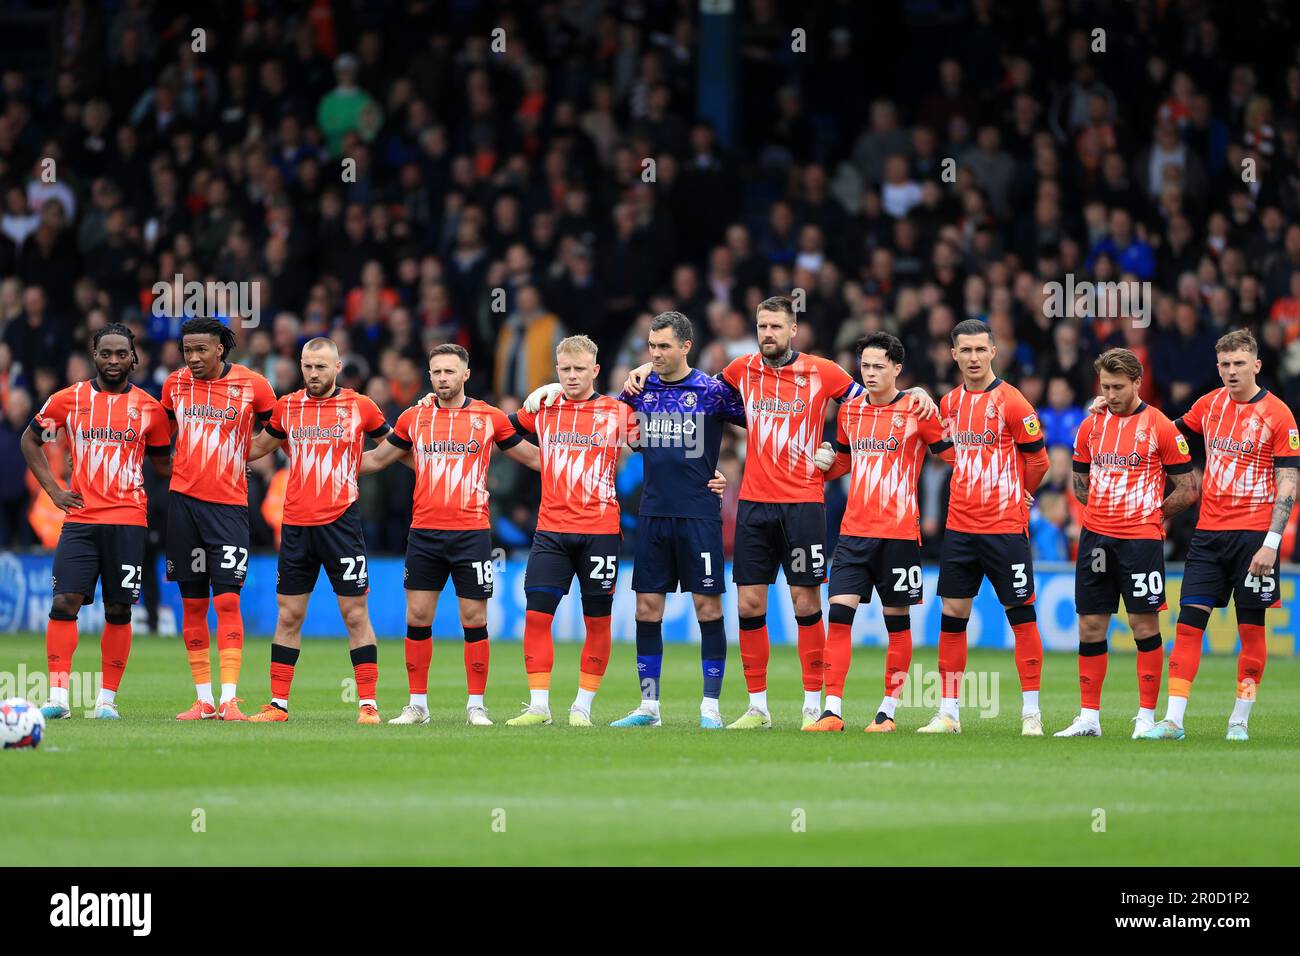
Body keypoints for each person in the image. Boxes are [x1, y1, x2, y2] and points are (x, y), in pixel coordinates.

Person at [361, 344, 540, 726]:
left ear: (466, 374)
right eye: (437, 372)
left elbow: (534, 458)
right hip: (423, 532)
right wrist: (329, 457)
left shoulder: (489, 418)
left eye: (449, 371)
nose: (443, 378)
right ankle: (417, 705)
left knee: (474, 618)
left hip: (472, 533)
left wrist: (586, 459)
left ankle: (476, 705)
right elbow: (377, 459)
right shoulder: (413, 418)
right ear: (430, 376)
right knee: (418, 616)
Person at [1142, 330, 1298, 741]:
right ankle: (1173, 720)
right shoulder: (1208, 406)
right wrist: (1116, 410)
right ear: (1218, 367)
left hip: (1254, 539)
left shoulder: (1279, 415)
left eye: (1239, 364)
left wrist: (1271, 543)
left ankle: (1239, 720)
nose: (1232, 371)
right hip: (1208, 534)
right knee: (1189, 624)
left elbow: (1288, 484)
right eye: (1225, 365)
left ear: (1256, 366)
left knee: (1251, 629)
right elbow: (1161, 433)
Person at [23, 324, 171, 719]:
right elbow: (30, 439)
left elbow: (164, 464)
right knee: (64, 601)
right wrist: (54, 491)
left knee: (119, 609)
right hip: (81, 519)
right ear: (94, 354)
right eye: (106, 353)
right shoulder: (68, 399)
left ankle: (106, 700)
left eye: (121, 354)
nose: (113, 361)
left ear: (133, 358)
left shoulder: (150, 409)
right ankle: (57, 697)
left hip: (128, 520)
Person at [807, 332, 953, 732]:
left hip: (899, 534)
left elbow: (953, 454)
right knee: (838, 618)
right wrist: (826, 462)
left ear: (897, 369)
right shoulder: (850, 411)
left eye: (878, 366)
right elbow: (842, 463)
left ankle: (886, 712)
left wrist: (934, 404)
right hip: (853, 534)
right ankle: (831, 710)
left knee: (897, 624)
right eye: (865, 366)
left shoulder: (917, 410)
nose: (870, 373)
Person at [243, 337, 392, 724]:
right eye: (308, 365)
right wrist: (216, 438)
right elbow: (260, 446)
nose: (313, 373)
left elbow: (394, 445)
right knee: (289, 615)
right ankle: (278, 705)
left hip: (342, 524)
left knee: (355, 614)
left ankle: (368, 705)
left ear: (337, 367)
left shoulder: (360, 406)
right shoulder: (286, 406)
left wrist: (358, 465)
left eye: (321, 366)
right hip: (296, 526)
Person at [1055, 348, 1198, 739]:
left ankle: (1146, 717)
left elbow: (1188, 489)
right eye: (1106, 387)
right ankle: (1089, 717)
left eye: (1119, 386)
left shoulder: (1160, 426)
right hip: (1096, 538)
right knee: (1090, 624)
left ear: (1138, 382)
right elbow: (1080, 483)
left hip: (1140, 541)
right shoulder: (1090, 427)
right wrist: (1105, 510)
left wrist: (1151, 514)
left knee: (1143, 623)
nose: (1112, 394)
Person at [919, 319, 1051, 736]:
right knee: (953, 615)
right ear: (953, 354)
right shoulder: (949, 404)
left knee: (1021, 615)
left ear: (994, 351)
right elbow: (945, 451)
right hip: (960, 527)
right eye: (965, 351)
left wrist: (1020, 494)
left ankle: (1031, 712)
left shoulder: (1013, 402)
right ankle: (948, 713)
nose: (973, 358)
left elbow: (1040, 461)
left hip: (1005, 527)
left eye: (980, 350)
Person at [162, 317, 276, 721]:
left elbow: (278, 426)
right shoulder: (174, 385)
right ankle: (204, 700)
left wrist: (246, 455)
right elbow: (162, 433)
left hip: (228, 507)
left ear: (220, 350)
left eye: (201, 350)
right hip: (183, 506)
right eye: (187, 350)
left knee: (227, 599)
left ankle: (230, 698)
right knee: (192, 604)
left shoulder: (253, 385)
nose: (192, 358)